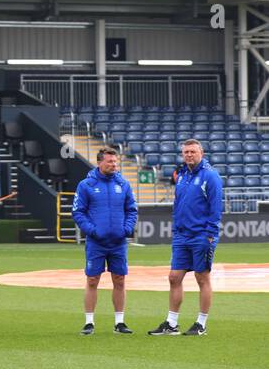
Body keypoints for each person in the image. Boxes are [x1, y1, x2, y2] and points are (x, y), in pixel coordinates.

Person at [149, 139, 222, 336]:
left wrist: (210, 234)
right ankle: (171, 323)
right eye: (186, 152)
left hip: (201, 235)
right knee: (174, 277)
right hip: (182, 235)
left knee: (202, 277)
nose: (189, 155)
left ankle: (201, 323)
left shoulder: (210, 176)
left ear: (202, 153)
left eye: (193, 151)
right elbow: (178, 203)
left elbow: (216, 208)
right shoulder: (182, 175)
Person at [73, 147, 138, 335]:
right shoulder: (86, 185)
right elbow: (78, 212)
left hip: (118, 242)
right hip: (96, 242)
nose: (114, 165)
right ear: (99, 162)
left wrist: (126, 229)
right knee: (92, 280)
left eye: (115, 162)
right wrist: (92, 231)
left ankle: (119, 322)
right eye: (110, 162)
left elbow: (132, 210)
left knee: (119, 280)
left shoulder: (123, 184)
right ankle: (89, 322)